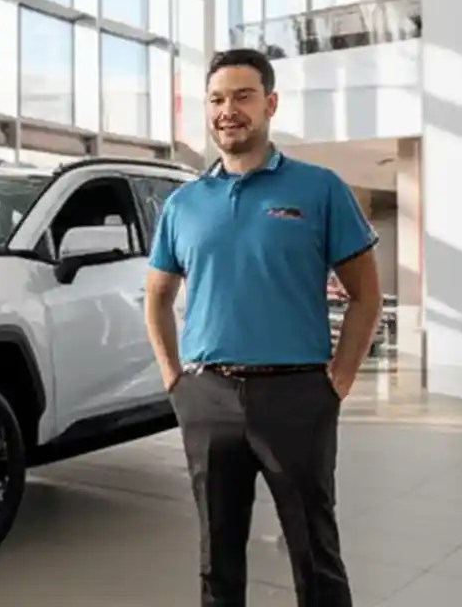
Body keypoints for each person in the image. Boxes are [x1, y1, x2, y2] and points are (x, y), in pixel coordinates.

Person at [143, 48, 382, 607]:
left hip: (297, 395)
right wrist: (175, 382)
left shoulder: (319, 189)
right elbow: (156, 297)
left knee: (315, 554)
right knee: (216, 557)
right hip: (207, 396)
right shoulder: (183, 204)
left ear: (270, 103)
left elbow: (366, 294)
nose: (229, 110)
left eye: (243, 96)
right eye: (217, 99)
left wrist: (336, 383)